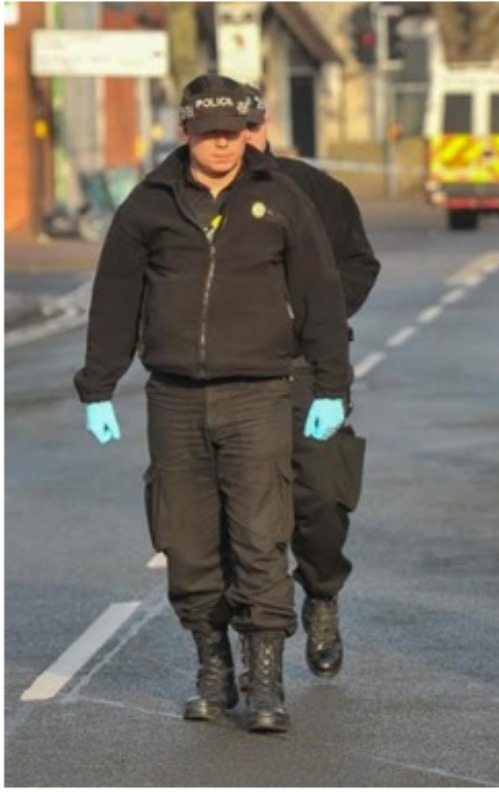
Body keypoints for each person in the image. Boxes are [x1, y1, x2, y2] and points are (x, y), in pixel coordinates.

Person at [74, 74, 351, 734]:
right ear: (186, 133)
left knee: (260, 537)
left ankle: (264, 681)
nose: (222, 145)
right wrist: (98, 386)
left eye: (232, 133)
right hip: (172, 398)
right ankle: (213, 667)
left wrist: (334, 387)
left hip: (257, 394)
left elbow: (320, 296)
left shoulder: (281, 200)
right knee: (187, 543)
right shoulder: (148, 205)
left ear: (245, 132)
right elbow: (115, 298)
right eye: (209, 134)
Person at [243, 84, 381, 678]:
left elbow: (359, 264)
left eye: (246, 127)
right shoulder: (191, 199)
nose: (235, 142)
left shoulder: (316, 189)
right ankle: (256, 643)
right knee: (244, 514)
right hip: (234, 379)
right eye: (220, 132)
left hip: (309, 373)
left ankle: (322, 594)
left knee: (320, 501)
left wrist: (314, 317)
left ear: (265, 124)